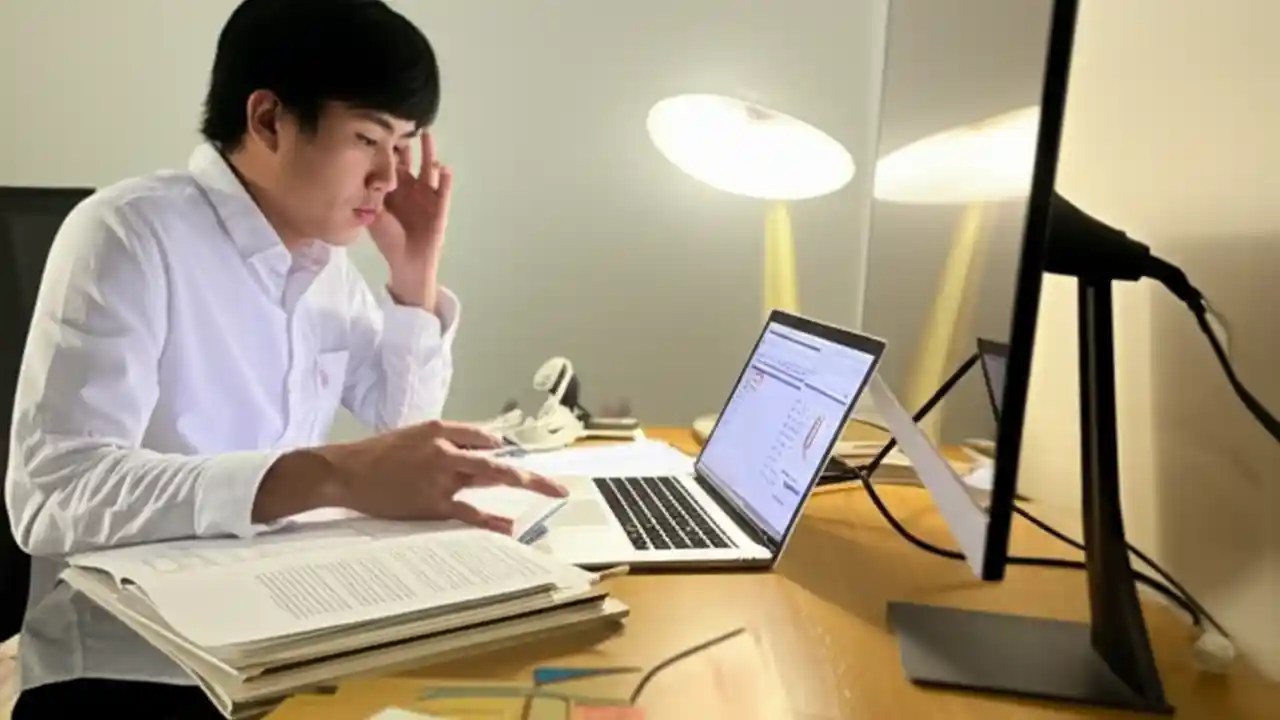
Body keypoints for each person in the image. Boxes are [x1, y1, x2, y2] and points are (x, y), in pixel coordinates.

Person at [4, 1, 566, 716]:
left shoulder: (321, 261)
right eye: (368, 139)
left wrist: (414, 276)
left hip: (285, 642)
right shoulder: (128, 234)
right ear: (268, 119)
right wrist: (326, 476)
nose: (390, 177)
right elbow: (54, 494)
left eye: (405, 145)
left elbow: (401, 430)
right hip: (142, 671)